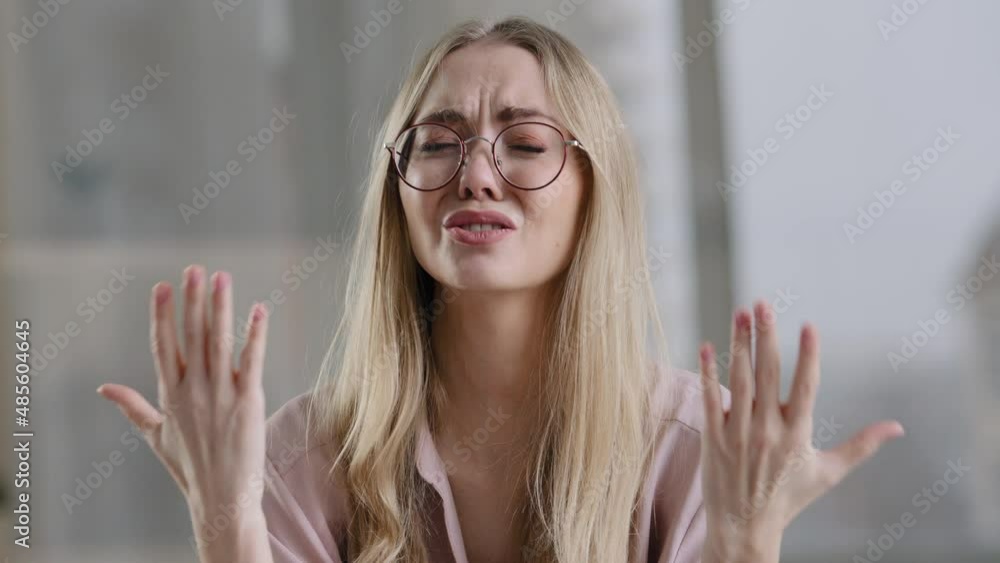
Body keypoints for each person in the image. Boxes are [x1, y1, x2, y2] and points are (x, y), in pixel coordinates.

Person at [97, 16, 904, 563]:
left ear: (597, 190)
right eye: (439, 143)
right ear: (397, 192)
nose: (477, 176)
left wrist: (743, 542)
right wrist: (227, 521)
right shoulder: (304, 455)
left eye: (524, 144)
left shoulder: (697, 449)